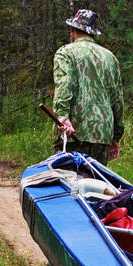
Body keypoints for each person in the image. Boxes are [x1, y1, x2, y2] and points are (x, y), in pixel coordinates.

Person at [49, 9, 124, 164]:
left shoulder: (66, 53)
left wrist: (62, 117)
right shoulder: (110, 58)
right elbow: (117, 99)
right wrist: (116, 137)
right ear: (93, 33)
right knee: (97, 184)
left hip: (73, 132)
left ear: (73, 30)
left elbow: (64, 85)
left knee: (70, 183)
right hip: (102, 134)